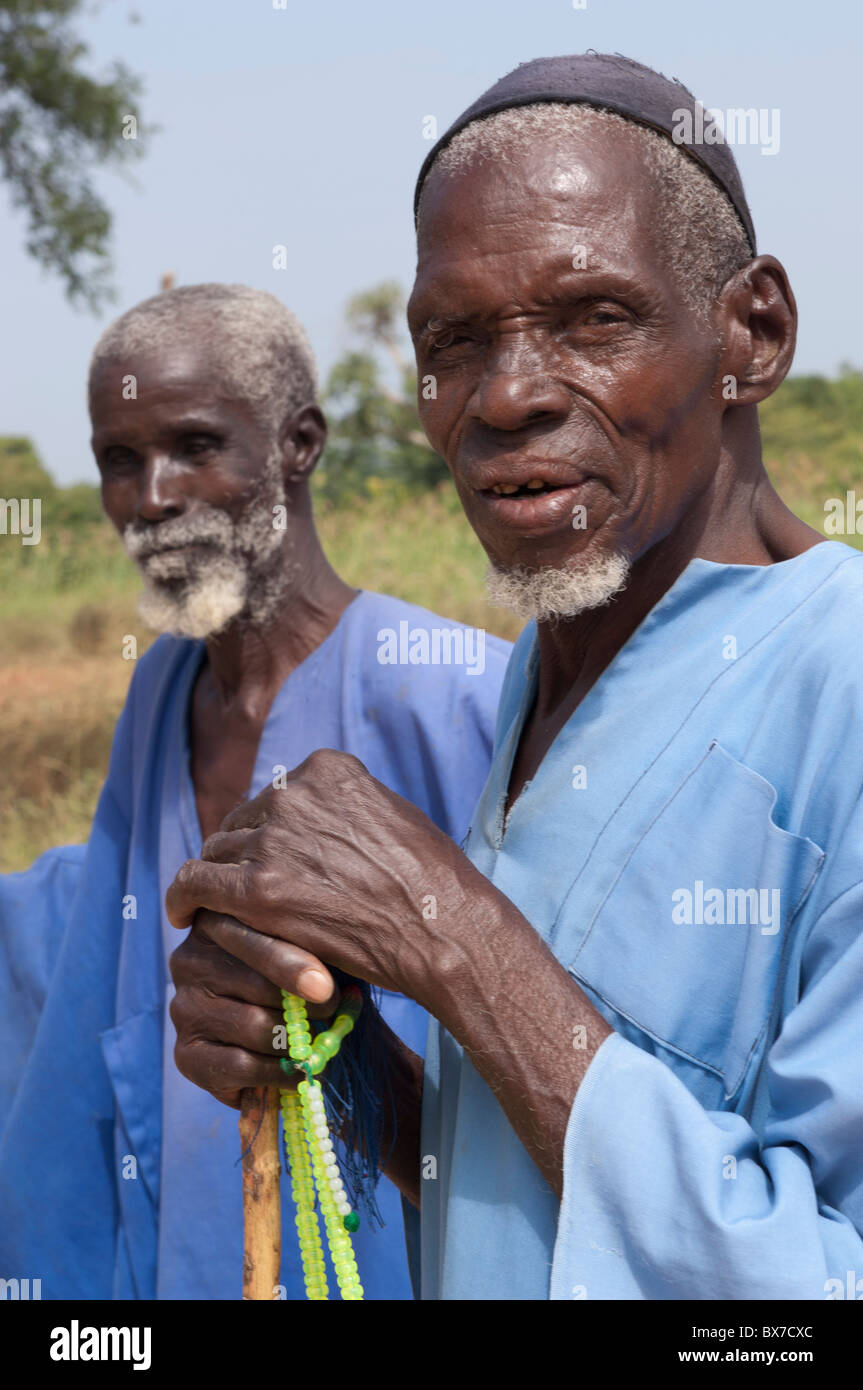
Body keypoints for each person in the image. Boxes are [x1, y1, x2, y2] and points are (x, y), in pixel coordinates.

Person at [165, 56, 863, 1300]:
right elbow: (543, 1219)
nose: (505, 395)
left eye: (594, 319)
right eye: (454, 339)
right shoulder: (554, 670)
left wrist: (452, 935)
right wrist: (344, 1056)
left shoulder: (839, 679)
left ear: (748, 335)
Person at [0, 284, 510, 1299]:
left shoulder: (455, 689)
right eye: (118, 460)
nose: (151, 497)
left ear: (298, 444)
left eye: (194, 445)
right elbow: (107, 938)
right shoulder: (164, 688)